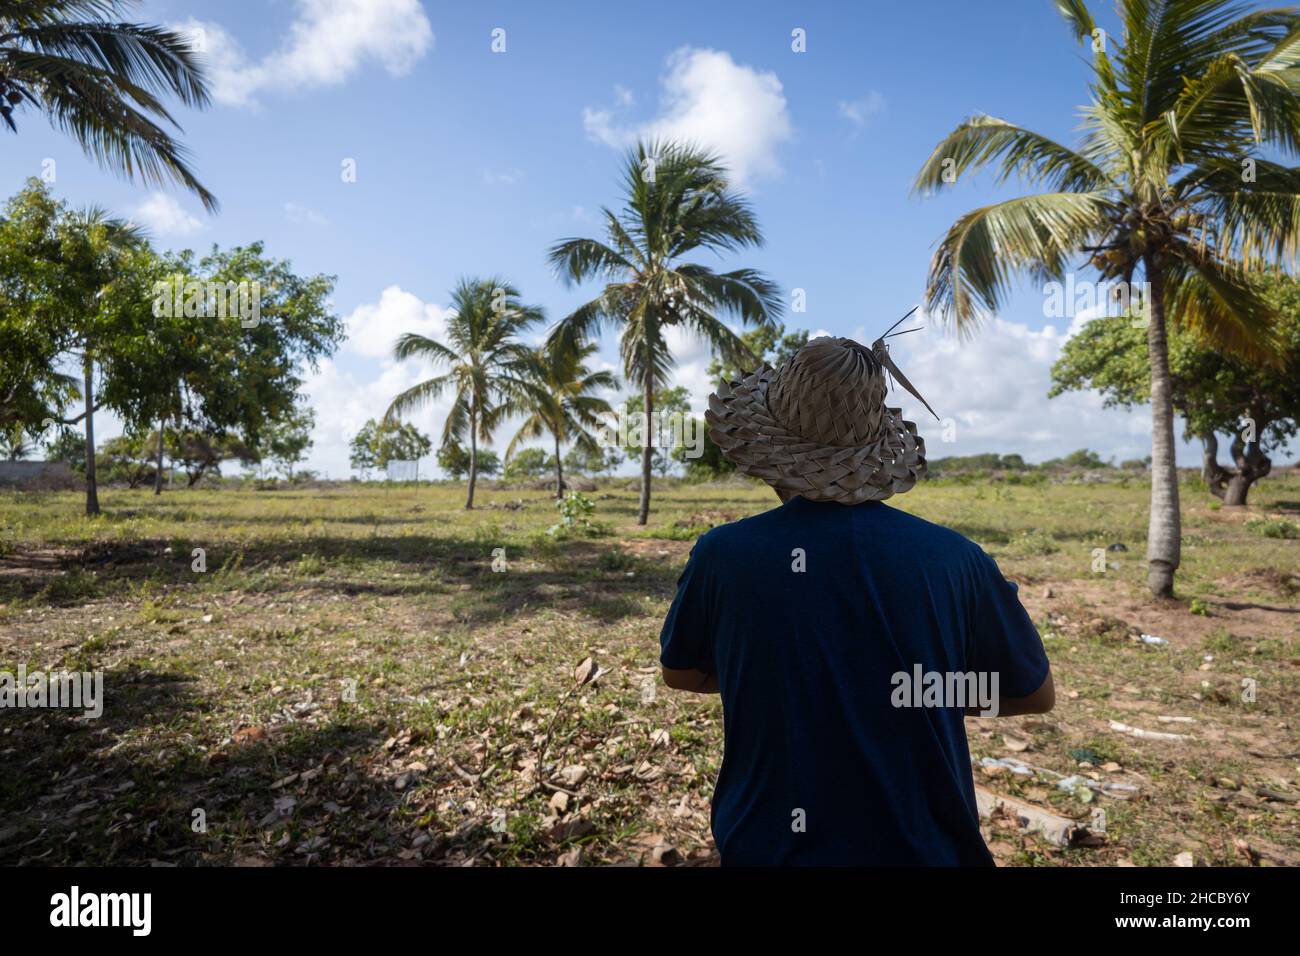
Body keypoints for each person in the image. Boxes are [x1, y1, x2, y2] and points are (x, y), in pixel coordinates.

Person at [658, 334, 1053, 866]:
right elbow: (1033, 693)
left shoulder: (724, 556)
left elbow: (682, 672)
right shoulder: (957, 559)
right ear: (873, 449)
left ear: (761, 444)